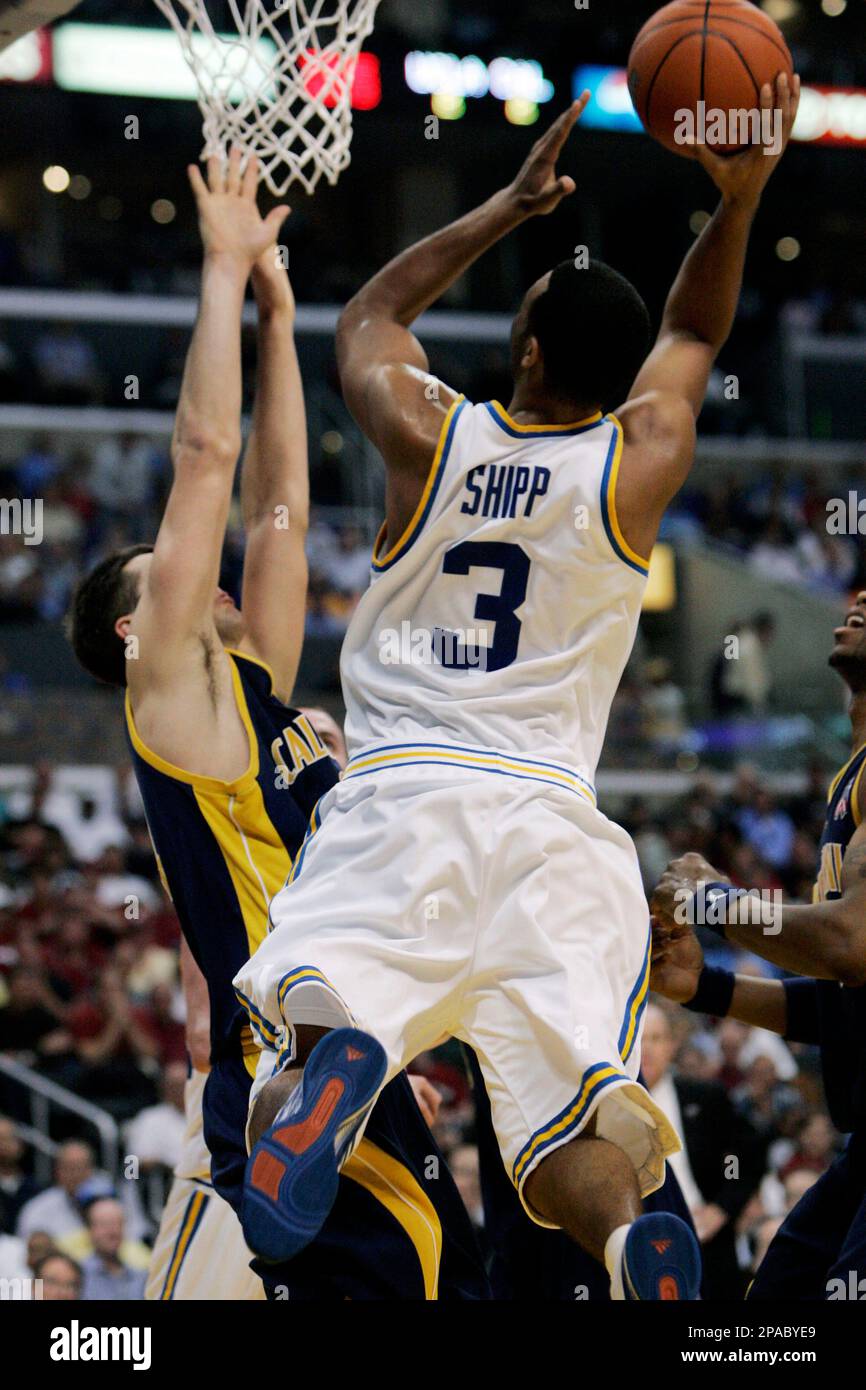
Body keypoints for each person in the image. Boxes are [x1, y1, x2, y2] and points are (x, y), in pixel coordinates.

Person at [234, 78, 800, 1299]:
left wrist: (508, 203)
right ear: (614, 376)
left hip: (405, 798)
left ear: (526, 347)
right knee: (564, 1136)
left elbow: (369, 319)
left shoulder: (430, 432)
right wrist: (739, 199)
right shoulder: (636, 459)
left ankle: (340, 1062)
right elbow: (693, 338)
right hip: (557, 829)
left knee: (316, 1010)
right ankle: (628, 1241)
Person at [68, 152, 488, 1302]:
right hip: (278, 1056)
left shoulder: (259, 688)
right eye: (172, 575)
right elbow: (206, 461)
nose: (206, 579)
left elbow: (278, 510)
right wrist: (216, 270)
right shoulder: (176, 709)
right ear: (129, 636)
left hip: (353, 1048)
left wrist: (279, 318)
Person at [651, 590, 866, 1300]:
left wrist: (710, 898)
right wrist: (705, 987)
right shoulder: (851, 780)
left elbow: (846, 944)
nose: (859, 596)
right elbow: (841, 998)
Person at [79, 1197, 147, 1301]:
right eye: (104, 1224)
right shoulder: (78, 1277)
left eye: (117, 1224)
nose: (112, 1231)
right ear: (89, 1230)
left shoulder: (141, 1278)